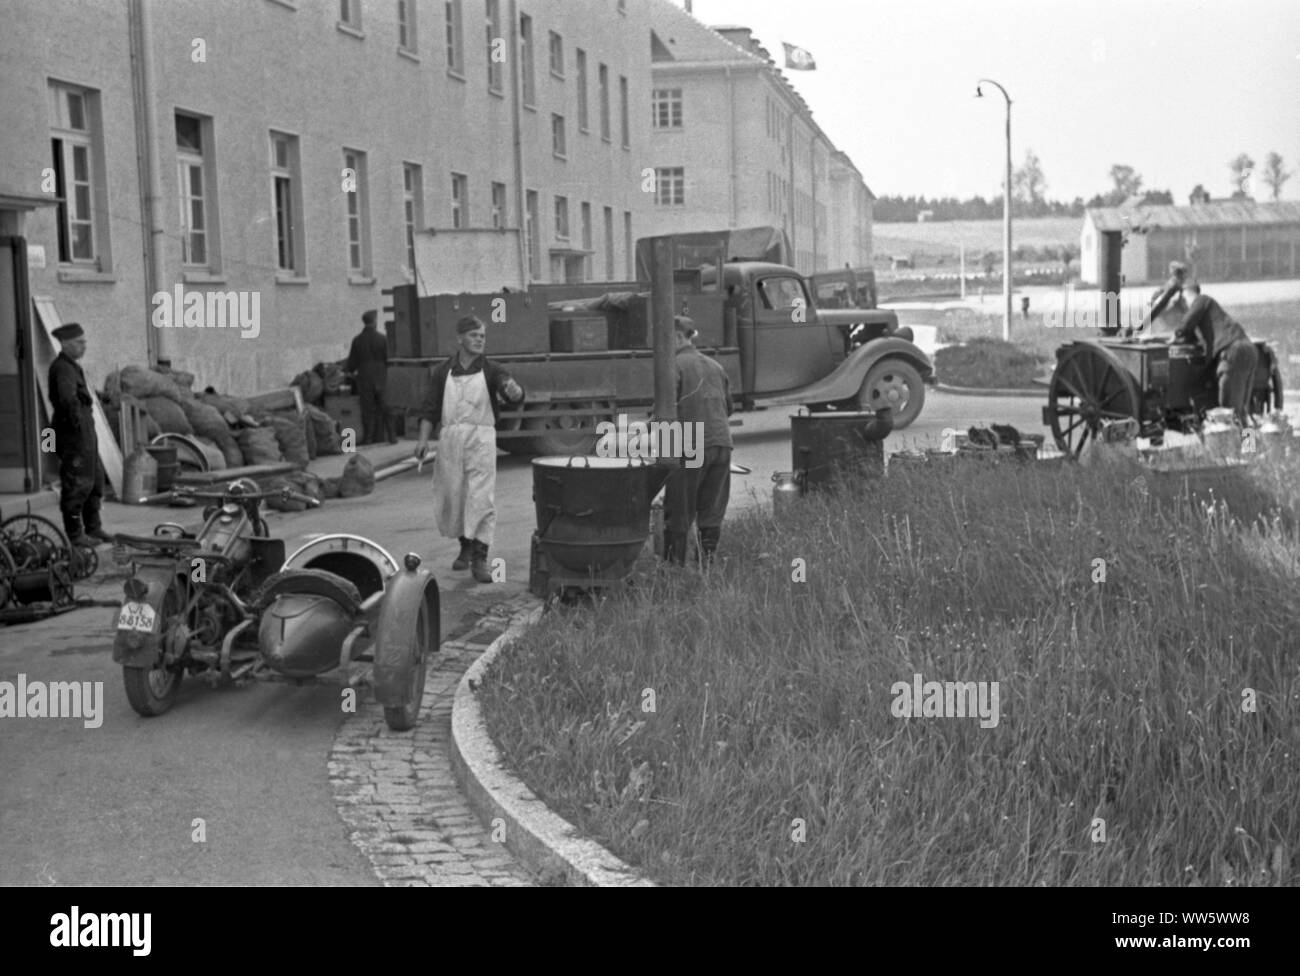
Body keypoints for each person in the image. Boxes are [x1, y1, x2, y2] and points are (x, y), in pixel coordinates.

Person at [414, 315, 524, 583]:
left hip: (481, 438)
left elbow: (513, 393)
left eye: (483, 336)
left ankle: (480, 558)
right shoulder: (443, 372)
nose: (479, 340)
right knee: (455, 496)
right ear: (460, 338)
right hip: (450, 440)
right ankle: (465, 546)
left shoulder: (492, 370)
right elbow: (429, 408)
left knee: (481, 497)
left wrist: (514, 391)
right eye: (474, 335)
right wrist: (422, 440)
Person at [663, 315, 733, 567]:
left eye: (664, 340)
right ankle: (707, 567)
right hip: (723, 443)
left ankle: (673, 572)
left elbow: (665, 413)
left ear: (679, 337)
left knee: (679, 510)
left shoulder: (674, 365)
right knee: (711, 510)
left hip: (692, 444)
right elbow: (729, 408)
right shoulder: (716, 366)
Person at [47, 322, 111, 545]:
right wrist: (77, 427)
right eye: (79, 342)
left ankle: (94, 528)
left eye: (84, 341)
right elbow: (67, 401)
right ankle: (75, 535)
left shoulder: (73, 366)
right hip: (73, 436)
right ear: (65, 344)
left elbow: (80, 396)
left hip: (85, 434)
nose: (84, 346)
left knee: (95, 481)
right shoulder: (62, 368)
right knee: (77, 484)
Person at [1170, 281, 1259, 426]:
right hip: (1248, 349)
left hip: (1233, 352)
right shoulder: (1211, 310)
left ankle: (1230, 447)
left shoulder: (1202, 300)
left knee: (1228, 411)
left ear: (1185, 294)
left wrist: (1176, 335)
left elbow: (1186, 325)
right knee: (1242, 410)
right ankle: (1249, 448)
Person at [345, 309, 395, 445]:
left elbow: (351, 365)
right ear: (374, 321)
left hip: (365, 377)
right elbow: (388, 359)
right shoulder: (383, 339)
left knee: (367, 409)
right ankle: (392, 436)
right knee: (385, 406)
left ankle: (368, 439)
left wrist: (348, 370)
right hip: (381, 376)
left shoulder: (357, 340)